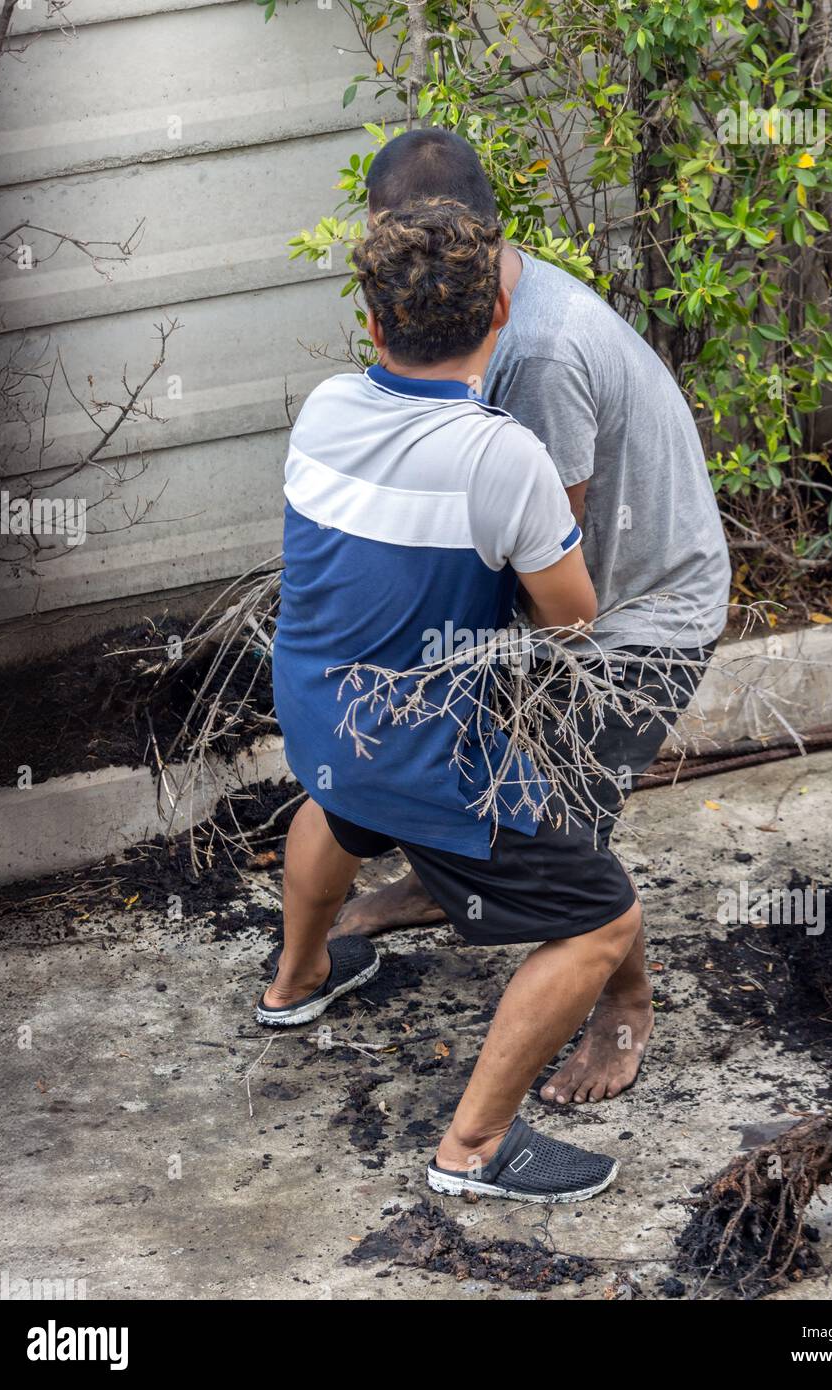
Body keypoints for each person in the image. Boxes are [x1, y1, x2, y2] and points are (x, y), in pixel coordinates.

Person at [332, 128, 732, 1107]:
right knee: (450, 737)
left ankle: (623, 1006)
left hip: (638, 613)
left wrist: (444, 645)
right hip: (564, 591)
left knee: (559, 821)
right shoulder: (455, 306)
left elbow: (556, 572)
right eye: (392, 249)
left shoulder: (542, 353)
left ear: (486, 248)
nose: (402, 274)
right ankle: (442, 882)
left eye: (419, 248)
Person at [260, 197, 642, 1202]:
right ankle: (474, 1149)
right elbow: (570, 617)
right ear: (498, 323)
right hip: (422, 756)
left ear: (374, 328)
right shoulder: (503, 454)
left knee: (336, 804)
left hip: (315, 720)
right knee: (602, 918)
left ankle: (296, 981)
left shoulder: (326, 406)